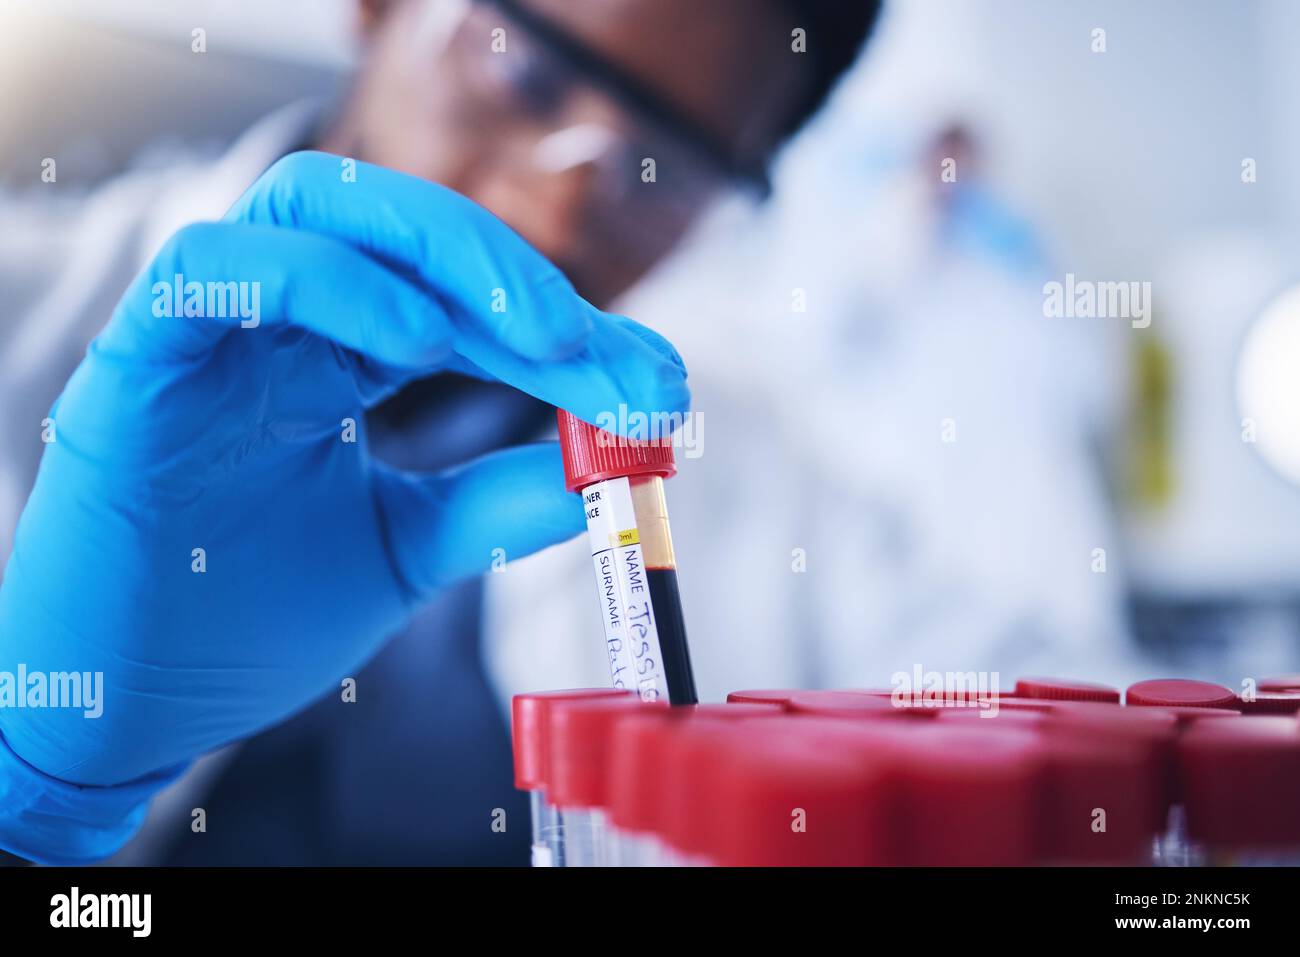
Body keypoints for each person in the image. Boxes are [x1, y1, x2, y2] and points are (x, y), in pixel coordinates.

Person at [0, 0, 882, 864]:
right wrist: (31, 797)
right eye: (522, 70)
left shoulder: (785, 500)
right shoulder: (22, 302)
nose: (558, 212)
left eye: (669, 169)